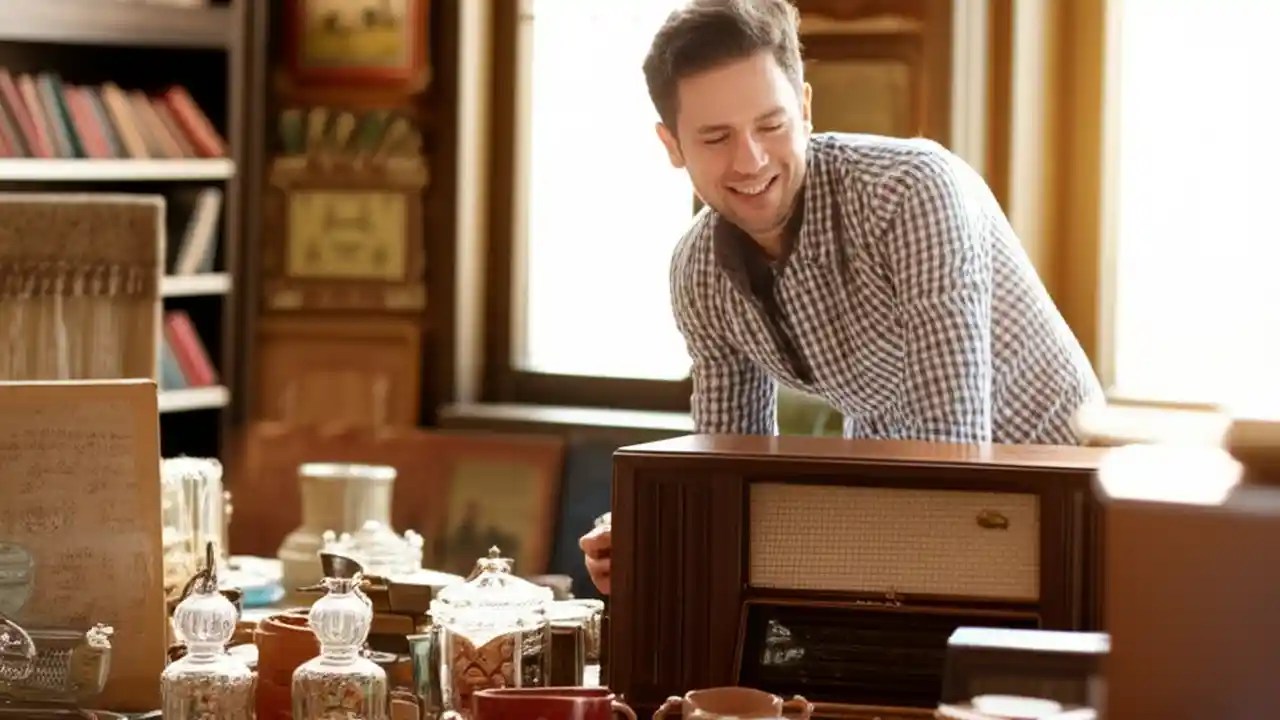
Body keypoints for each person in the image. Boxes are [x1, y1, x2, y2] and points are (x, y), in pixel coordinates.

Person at [579, 0, 1103, 596]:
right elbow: (726, 471)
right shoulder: (699, 271)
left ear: (804, 108)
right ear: (672, 145)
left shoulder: (910, 192)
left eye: (771, 125)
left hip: (1062, 487)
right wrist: (654, 540)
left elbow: (952, 457)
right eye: (716, 137)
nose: (750, 160)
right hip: (901, 499)